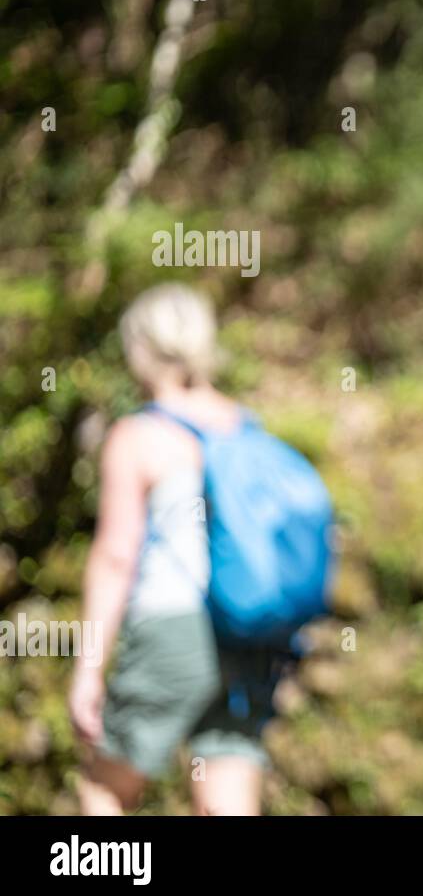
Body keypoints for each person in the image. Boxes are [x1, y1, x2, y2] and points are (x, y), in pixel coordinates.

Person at [69, 284, 275, 815]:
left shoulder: (139, 436)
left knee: (104, 789)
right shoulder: (245, 427)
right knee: (227, 803)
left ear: (140, 348)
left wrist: (89, 668)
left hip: (172, 627)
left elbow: (117, 557)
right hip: (246, 630)